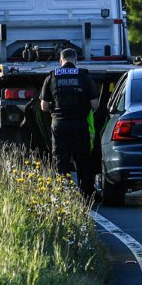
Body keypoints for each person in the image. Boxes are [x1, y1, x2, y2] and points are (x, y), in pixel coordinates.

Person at [40, 48, 98, 199]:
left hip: (59, 124)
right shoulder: (84, 77)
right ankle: (86, 195)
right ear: (75, 60)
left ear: (61, 61)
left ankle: (64, 195)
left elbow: (44, 106)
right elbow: (95, 105)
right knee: (83, 160)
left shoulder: (51, 77)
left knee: (61, 160)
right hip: (79, 124)